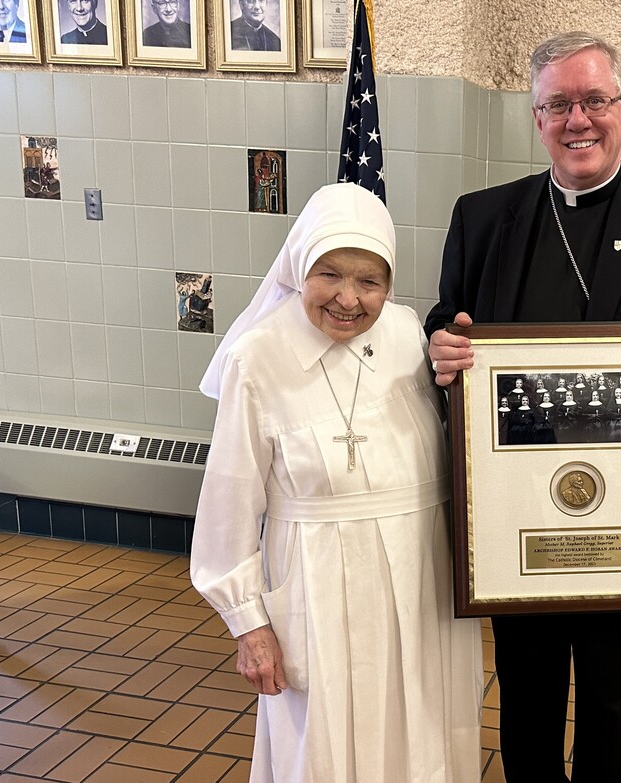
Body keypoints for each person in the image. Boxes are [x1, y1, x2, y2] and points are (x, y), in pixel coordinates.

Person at [425, 30, 621, 783]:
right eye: (558, 104)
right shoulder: (482, 218)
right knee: (524, 699)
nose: (577, 120)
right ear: (536, 119)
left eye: (594, 100)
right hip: (516, 519)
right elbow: (445, 326)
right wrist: (439, 348)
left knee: (618, 705)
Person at [192, 184, 481, 782]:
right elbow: (228, 508)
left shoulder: (405, 333)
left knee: (424, 727)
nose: (348, 299)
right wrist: (250, 626)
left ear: (390, 285)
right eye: (330, 275)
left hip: (425, 583)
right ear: (301, 267)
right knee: (326, 741)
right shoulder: (258, 357)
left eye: (369, 282)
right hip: (318, 592)